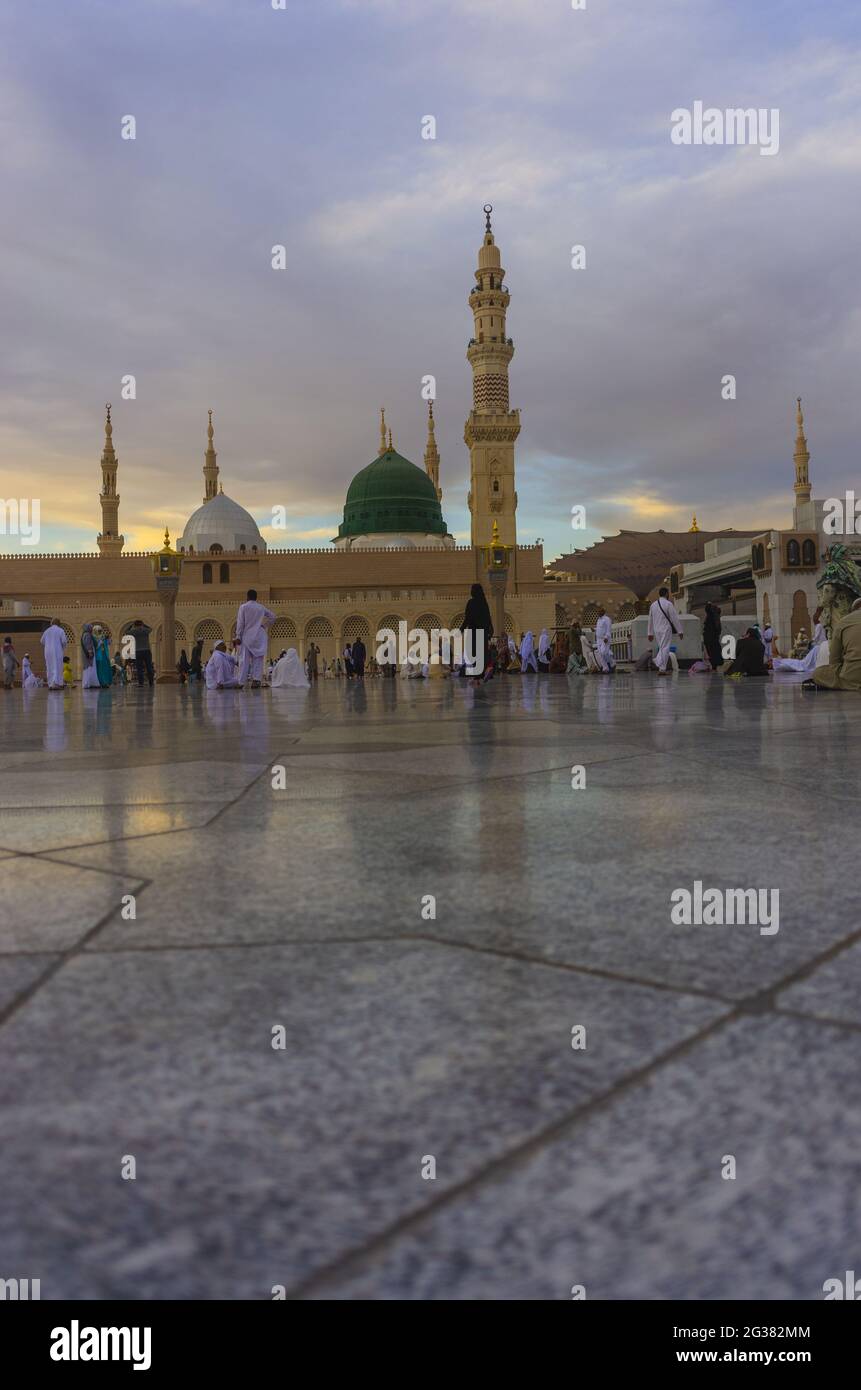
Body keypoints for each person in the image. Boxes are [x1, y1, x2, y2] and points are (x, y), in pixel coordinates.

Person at [807, 598, 861, 691]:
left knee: (818, 673)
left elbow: (834, 661)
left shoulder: (843, 622)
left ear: (854, 609)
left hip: (852, 677)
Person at [235, 589, 275, 689]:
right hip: (259, 636)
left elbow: (240, 623)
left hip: (247, 636)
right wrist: (264, 625)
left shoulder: (243, 607)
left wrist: (238, 636)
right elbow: (273, 617)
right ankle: (256, 680)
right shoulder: (261, 607)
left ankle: (241, 682)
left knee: (244, 660)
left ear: (247, 597)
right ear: (256, 597)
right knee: (258, 658)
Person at [461, 582, 493, 683]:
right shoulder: (484, 603)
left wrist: (461, 629)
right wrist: (490, 630)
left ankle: (478, 676)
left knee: (473, 653)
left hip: (474, 631)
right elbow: (488, 617)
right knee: (482, 653)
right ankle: (482, 674)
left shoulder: (471, 603)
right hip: (483, 632)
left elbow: (468, 618)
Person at [647, 587, 682, 674]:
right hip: (665, 629)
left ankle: (660, 666)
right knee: (665, 647)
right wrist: (680, 631)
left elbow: (650, 619)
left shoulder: (653, 605)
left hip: (657, 630)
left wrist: (650, 633)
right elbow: (674, 618)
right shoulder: (668, 604)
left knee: (662, 647)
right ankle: (660, 665)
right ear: (666, 593)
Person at [40, 618, 67, 689]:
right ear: (59, 623)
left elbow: (41, 641)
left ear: (51, 623)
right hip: (57, 651)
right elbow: (64, 641)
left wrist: (48, 644)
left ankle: (51, 684)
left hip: (48, 652)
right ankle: (57, 683)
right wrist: (62, 647)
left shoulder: (47, 631)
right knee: (57, 666)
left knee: (49, 667)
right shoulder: (60, 630)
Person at [129, 618, 154, 686]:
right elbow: (151, 629)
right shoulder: (145, 630)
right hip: (146, 650)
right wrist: (144, 625)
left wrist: (131, 625)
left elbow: (127, 632)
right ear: (142, 624)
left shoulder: (134, 631)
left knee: (139, 668)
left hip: (138, 651)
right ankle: (151, 682)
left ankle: (141, 683)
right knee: (149, 667)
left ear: (135, 625)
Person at [703, 602, 722, 671]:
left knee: (711, 652)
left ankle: (714, 666)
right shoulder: (716, 617)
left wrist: (708, 604)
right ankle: (715, 666)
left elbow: (707, 609)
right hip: (714, 638)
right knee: (715, 652)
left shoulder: (710, 616)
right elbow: (718, 629)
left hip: (709, 637)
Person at [80, 624, 100, 689]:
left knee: (88, 668)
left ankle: (90, 683)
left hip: (86, 653)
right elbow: (88, 644)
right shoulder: (87, 635)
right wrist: (90, 652)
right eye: (91, 628)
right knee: (89, 667)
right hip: (89, 654)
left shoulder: (84, 634)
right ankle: (88, 683)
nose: (91, 629)